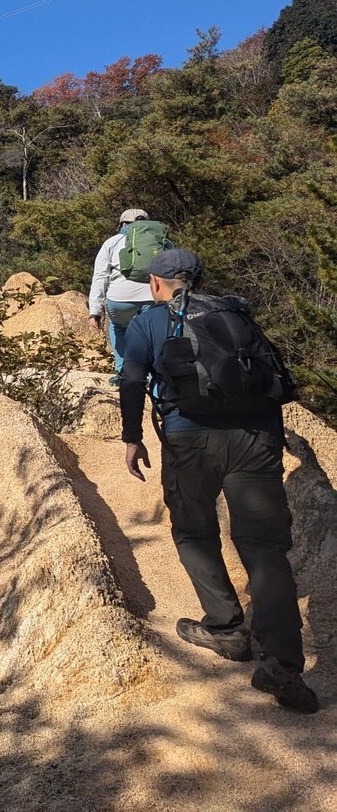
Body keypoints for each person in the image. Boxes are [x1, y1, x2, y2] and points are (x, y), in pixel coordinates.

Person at [120, 249, 317, 713]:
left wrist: (132, 438)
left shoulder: (149, 323)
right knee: (266, 551)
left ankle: (227, 629)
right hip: (255, 439)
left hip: (190, 441)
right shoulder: (234, 311)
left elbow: (131, 381)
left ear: (156, 283)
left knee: (193, 530)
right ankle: (283, 668)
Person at [88, 208, 156, 380]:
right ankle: (151, 375)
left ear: (122, 224)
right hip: (154, 296)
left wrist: (94, 311)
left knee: (118, 327)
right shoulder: (159, 240)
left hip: (120, 298)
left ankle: (123, 372)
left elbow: (100, 276)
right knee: (150, 334)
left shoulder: (112, 242)